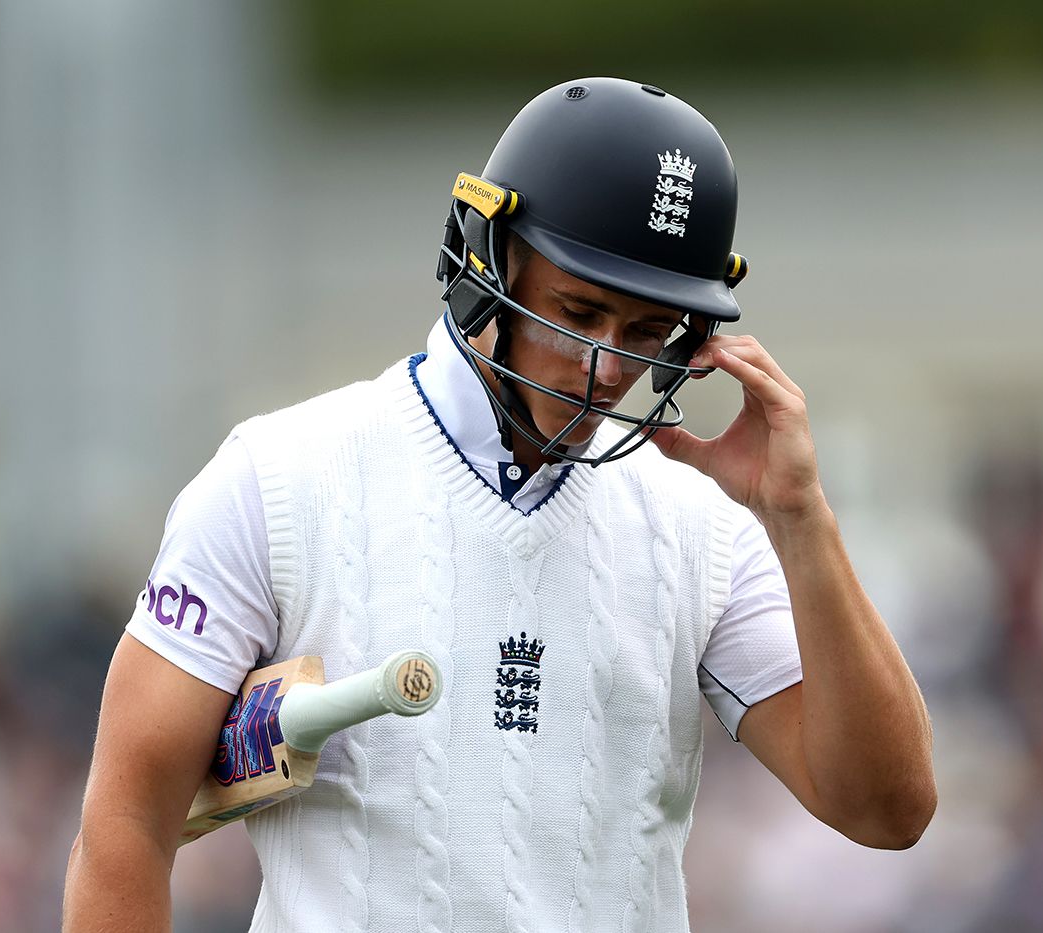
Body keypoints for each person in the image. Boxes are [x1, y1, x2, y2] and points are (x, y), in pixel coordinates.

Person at [64, 77, 936, 932]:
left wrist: (800, 519)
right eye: (578, 310)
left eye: (644, 332)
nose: (605, 369)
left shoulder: (701, 526)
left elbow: (886, 810)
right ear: (485, 255)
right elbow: (127, 824)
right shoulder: (279, 476)